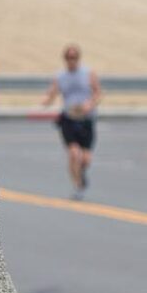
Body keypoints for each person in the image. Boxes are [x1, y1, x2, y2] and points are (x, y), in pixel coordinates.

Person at [42, 44, 101, 199]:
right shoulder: (60, 76)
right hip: (68, 118)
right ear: (65, 59)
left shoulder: (88, 73)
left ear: (78, 58)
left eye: (74, 58)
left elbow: (98, 93)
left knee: (86, 158)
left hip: (86, 119)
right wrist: (46, 101)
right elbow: (52, 93)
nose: (71, 61)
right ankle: (77, 186)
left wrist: (90, 104)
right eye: (68, 58)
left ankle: (80, 173)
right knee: (74, 153)